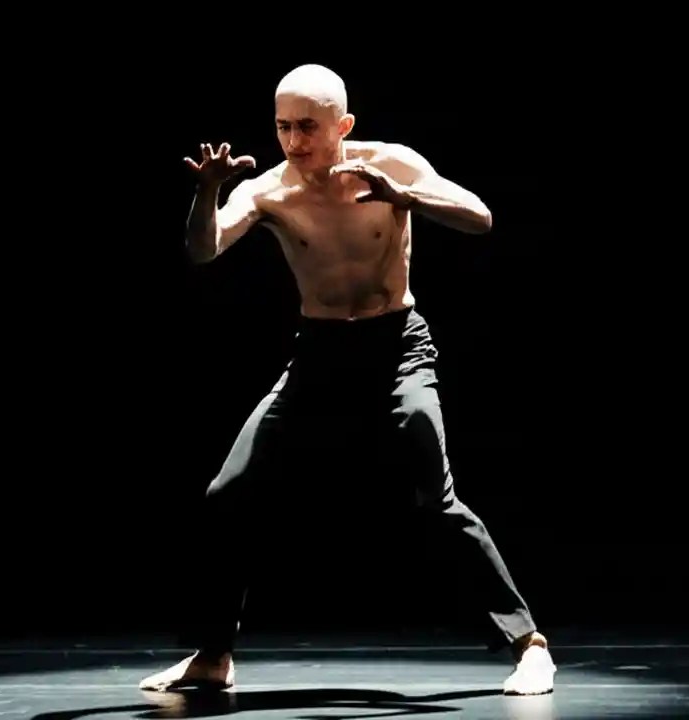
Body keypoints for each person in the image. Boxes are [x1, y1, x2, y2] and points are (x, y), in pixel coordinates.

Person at [139, 63, 556, 696]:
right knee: (229, 492)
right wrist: (207, 193)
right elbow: (203, 250)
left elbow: (480, 217)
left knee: (435, 500)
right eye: (283, 127)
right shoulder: (270, 191)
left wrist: (407, 196)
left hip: (398, 348)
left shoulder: (390, 164)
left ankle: (530, 645)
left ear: (344, 126)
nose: (294, 142)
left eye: (308, 127)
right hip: (321, 353)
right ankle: (214, 655)